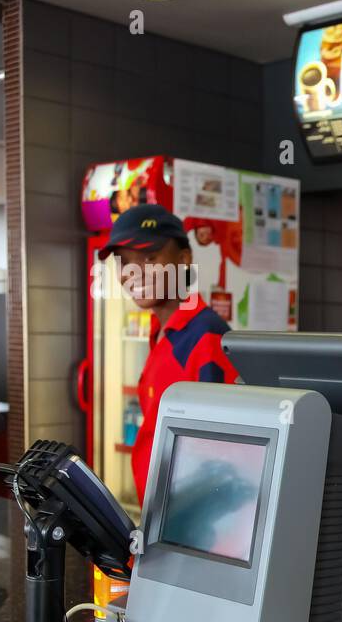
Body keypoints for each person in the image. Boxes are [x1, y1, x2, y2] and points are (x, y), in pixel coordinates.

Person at [99, 204, 239, 505]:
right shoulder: (161, 332)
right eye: (124, 262)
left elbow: (221, 448)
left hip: (190, 519)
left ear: (184, 259)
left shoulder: (206, 335)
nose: (133, 273)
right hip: (159, 513)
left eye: (149, 257)